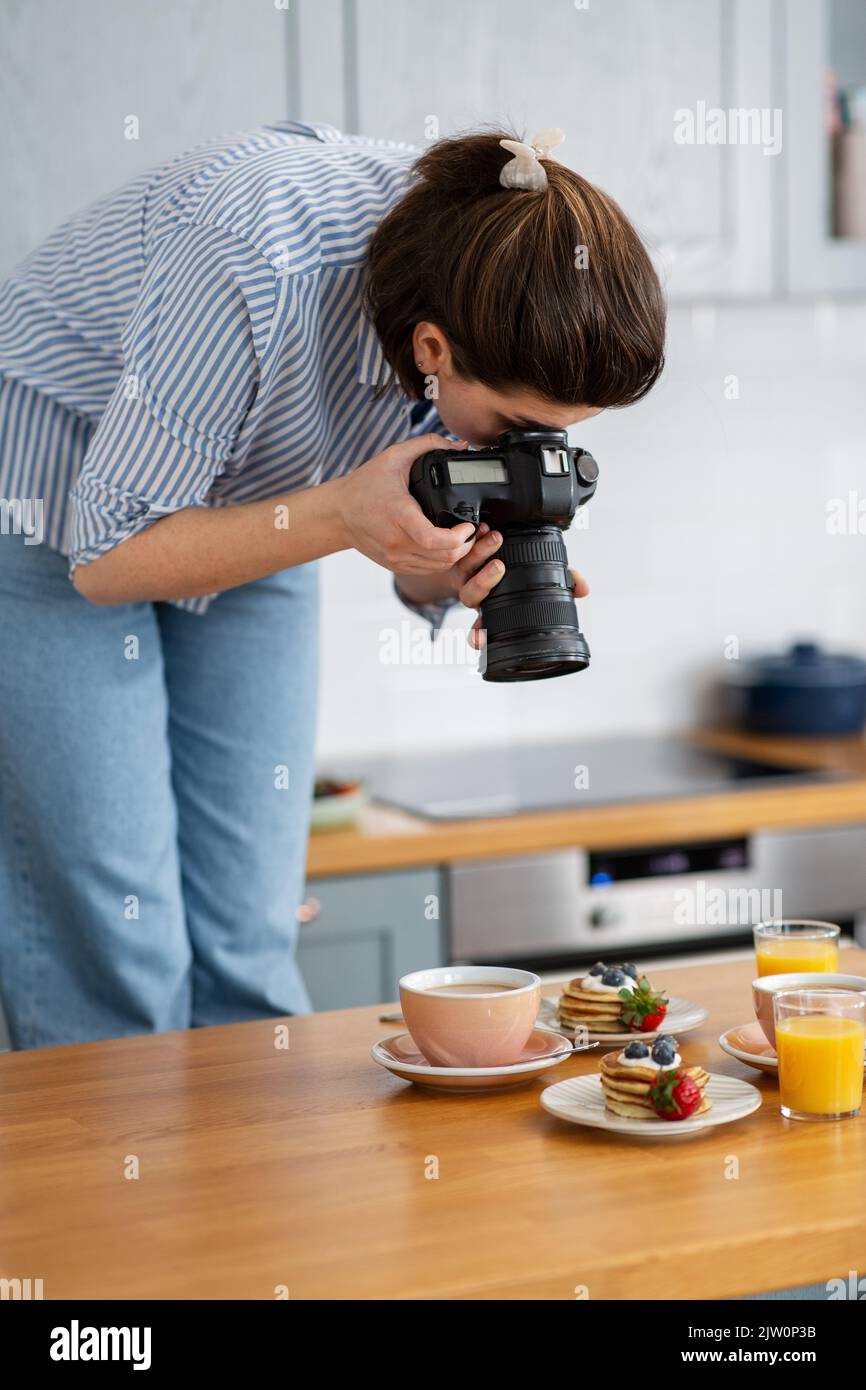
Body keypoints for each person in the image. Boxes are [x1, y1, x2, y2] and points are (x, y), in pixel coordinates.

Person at [0, 121, 666, 1048]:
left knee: (251, 926)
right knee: (122, 939)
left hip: (261, 494)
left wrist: (451, 568)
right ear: (432, 347)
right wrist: (342, 517)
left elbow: (381, 513)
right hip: (47, 495)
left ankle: (249, 1147)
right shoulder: (252, 255)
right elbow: (108, 558)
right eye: (514, 428)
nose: (529, 451)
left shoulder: (491, 266)